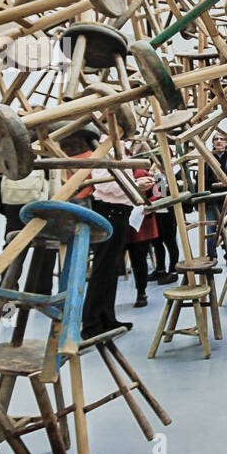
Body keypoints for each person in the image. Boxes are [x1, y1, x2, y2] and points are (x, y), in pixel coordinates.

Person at [81, 139, 155, 339]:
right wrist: (135, 184)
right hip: (109, 212)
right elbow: (104, 183)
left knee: (111, 268)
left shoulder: (120, 149)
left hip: (120, 212)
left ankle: (107, 318)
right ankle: (91, 323)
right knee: (103, 268)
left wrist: (135, 186)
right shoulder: (107, 148)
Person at [126, 168, 159, 308]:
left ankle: (141, 292)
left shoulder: (145, 173)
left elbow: (158, 194)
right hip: (122, 219)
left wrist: (146, 206)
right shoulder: (119, 171)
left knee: (139, 259)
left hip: (141, 221)